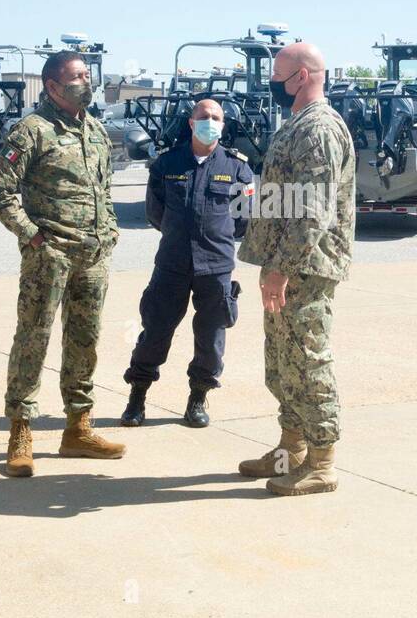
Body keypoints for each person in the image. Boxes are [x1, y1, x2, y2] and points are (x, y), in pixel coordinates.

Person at [0, 50, 123, 478]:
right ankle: (20, 431)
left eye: (88, 75)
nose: (87, 82)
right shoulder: (32, 132)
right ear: (52, 86)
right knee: (34, 338)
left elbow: (104, 189)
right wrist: (33, 237)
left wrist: (110, 230)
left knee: (85, 340)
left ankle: (78, 427)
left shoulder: (96, 131)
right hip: (51, 257)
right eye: (77, 76)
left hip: (93, 255)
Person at [237, 42, 355, 495]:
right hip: (285, 264)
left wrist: (281, 269)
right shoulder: (297, 125)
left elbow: (313, 210)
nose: (272, 84)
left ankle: (322, 463)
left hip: (305, 267)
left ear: (302, 76)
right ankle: (291, 450)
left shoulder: (319, 129)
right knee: (282, 363)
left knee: (308, 362)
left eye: (278, 75)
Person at [122, 98, 255, 427]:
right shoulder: (167, 164)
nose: (210, 121)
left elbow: (242, 220)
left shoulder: (238, 167)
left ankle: (197, 399)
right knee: (154, 333)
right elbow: (156, 213)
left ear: (224, 126)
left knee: (211, 340)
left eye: (217, 117)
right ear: (191, 122)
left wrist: (214, 236)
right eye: (204, 116)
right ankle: (137, 398)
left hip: (216, 266)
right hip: (172, 264)